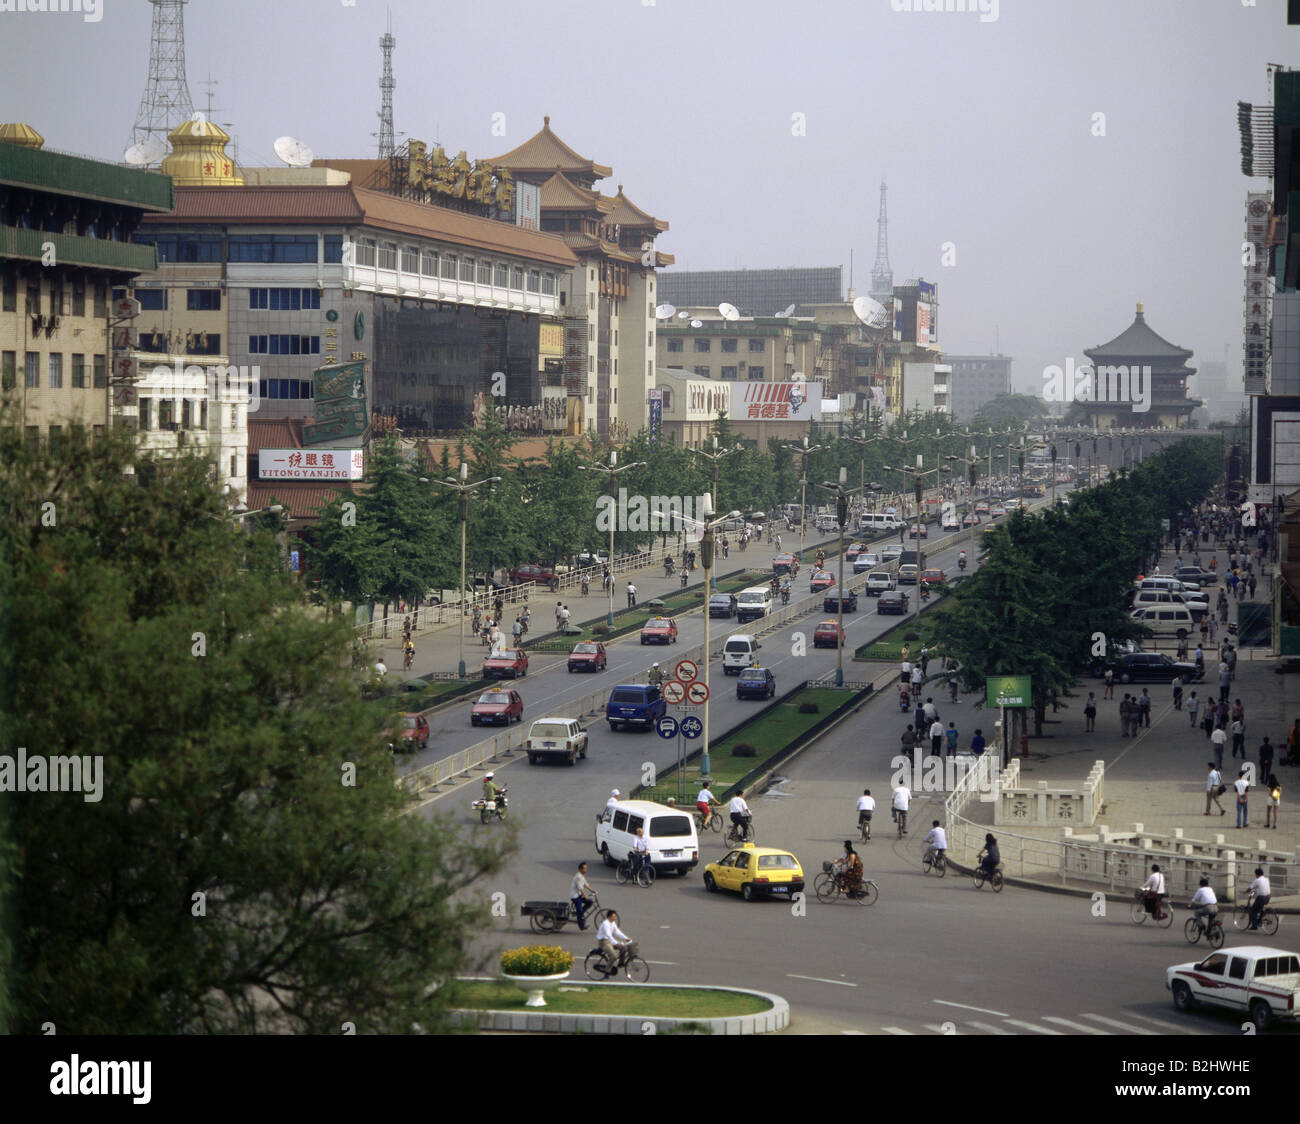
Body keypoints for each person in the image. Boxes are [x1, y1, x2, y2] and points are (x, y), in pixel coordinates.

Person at [570, 861, 596, 930]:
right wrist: (585, 896)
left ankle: (581, 914)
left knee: (590, 902)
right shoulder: (578, 877)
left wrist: (592, 890)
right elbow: (580, 888)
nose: (585, 870)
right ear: (580, 869)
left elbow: (585, 884)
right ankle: (581, 926)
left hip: (579, 895)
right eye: (584, 869)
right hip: (575, 896)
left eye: (586, 868)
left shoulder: (582, 876)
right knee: (579, 911)